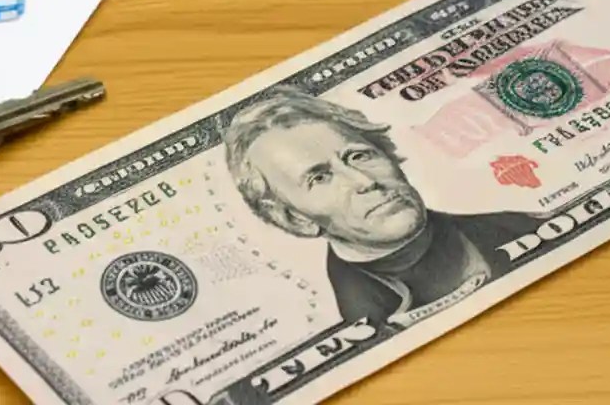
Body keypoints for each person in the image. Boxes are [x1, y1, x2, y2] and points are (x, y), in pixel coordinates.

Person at [222, 85, 543, 328]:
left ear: (387, 154)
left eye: (359, 156)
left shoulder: (521, 225)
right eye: (319, 178)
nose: (363, 181)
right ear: (295, 219)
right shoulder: (356, 323)